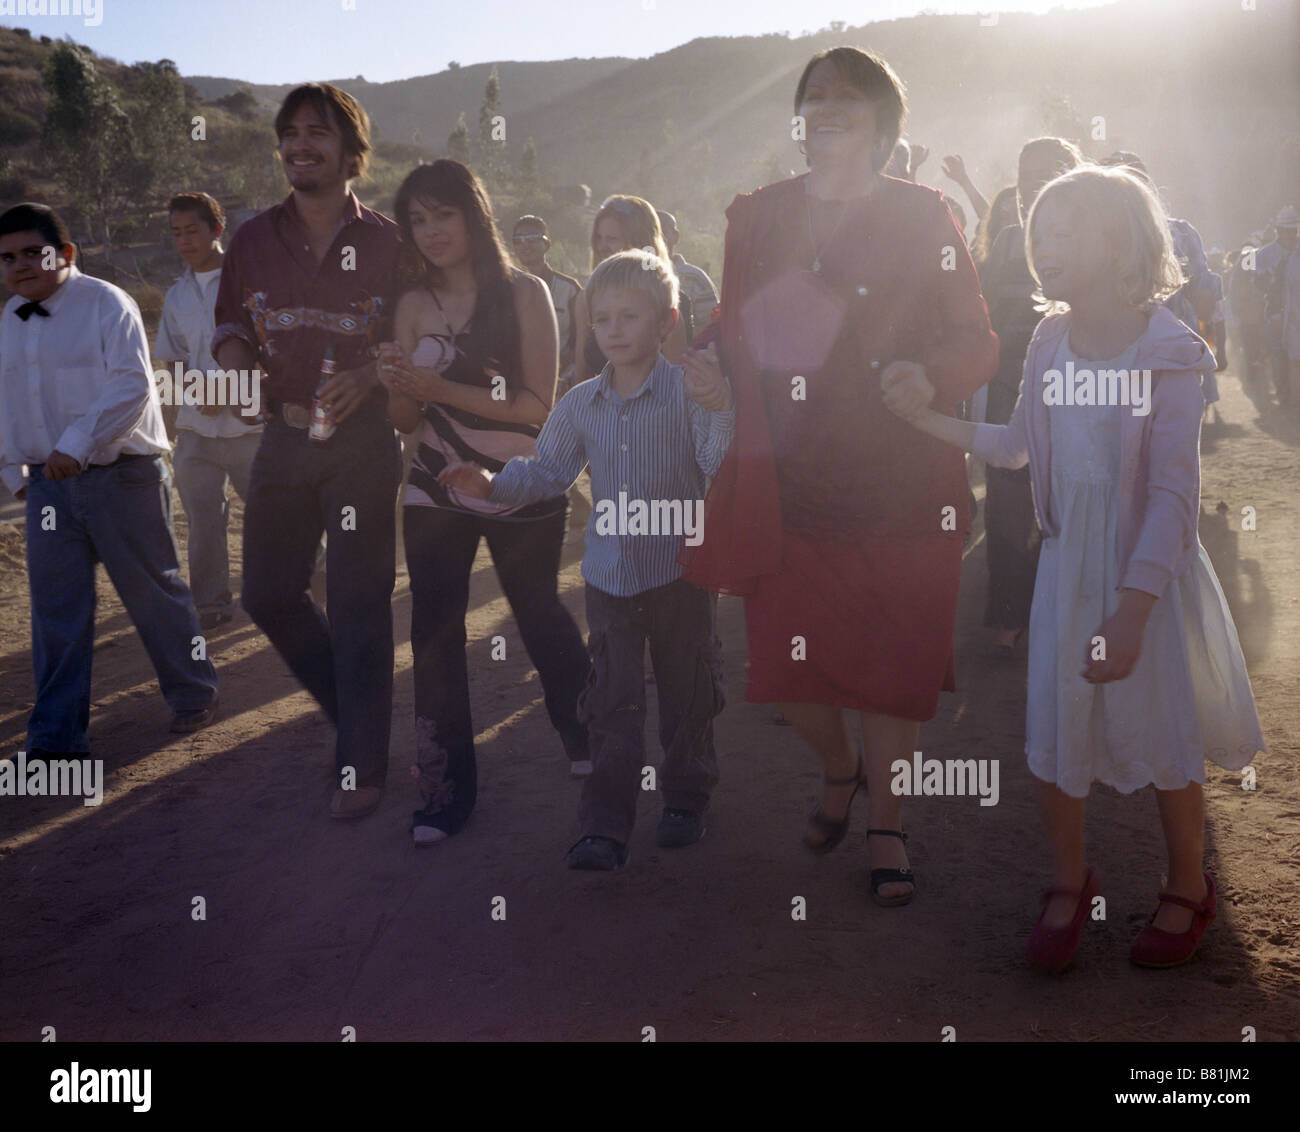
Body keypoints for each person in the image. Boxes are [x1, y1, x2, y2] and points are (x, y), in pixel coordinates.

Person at [882, 165, 1264, 969]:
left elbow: (1173, 496)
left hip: (1144, 578)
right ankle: (1067, 881)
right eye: (1038, 231)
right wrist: (926, 421)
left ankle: (1188, 884)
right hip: (1065, 573)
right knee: (1059, 728)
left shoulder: (1170, 351)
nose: (1044, 245)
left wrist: (1132, 609)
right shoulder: (1050, 339)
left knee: (1165, 729)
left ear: (1124, 240)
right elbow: (1017, 444)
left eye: (1067, 230)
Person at [679, 47, 998, 906]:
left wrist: (930, 375)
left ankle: (886, 824)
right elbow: (732, 319)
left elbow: (976, 336)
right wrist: (708, 362)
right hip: (788, 487)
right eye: (813, 96)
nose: (825, 108)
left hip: (901, 485)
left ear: (883, 123)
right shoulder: (758, 215)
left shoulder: (925, 215)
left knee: (893, 668)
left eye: (846, 99)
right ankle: (839, 764)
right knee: (793, 674)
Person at [440, 249, 734, 870]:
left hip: (682, 572)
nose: (615, 331)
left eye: (631, 317)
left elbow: (716, 466)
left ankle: (685, 798)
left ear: (666, 321)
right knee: (610, 701)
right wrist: (492, 483)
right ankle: (604, 824)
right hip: (610, 577)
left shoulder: (688, 391)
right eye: (602, 320)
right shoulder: (579, 404)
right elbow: (549, 470)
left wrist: (720, 406)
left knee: (688, 692)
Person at [382, 160, 592, 846]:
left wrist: (438, 388)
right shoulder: (411, 303)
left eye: (443, 215)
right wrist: (401, 385)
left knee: (538, 611)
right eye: (417, 219)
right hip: (435, 483)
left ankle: (585, 728)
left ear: (473, 215)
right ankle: (445, 791)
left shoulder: (526, 293)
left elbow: (536, 408)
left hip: (520, 477)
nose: (431, 231)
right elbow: (404, 421)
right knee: (435, 633)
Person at [212, 83, 403, 820]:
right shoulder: (255, 240)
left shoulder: (390, 243)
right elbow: (231, 325)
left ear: (352, 151)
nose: (299, 145)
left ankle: (360, 763)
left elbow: (419, 337)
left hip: (360, 444)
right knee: (266, 592)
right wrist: (233, 365)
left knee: (358, 605)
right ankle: (357, 714)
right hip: (284, 439)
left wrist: (373, 372)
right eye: (289, 133)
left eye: (317, 132)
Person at [0, 202, 220, 758]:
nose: (19, 266)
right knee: (56, 612)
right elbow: (7, 400)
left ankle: (194, 692)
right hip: (48, 487)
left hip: (123, 476)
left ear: (65, 254)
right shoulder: (10, 318)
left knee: (154, 593)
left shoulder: (106, 303)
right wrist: (14, 471)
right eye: (7, 258)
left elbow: (133, 384)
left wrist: (75, 446)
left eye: (32, 252)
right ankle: (55, 739)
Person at [978, 138, 1084, 655]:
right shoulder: (1005, 243)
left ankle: (1066, 615)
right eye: (1025, 179)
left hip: (1076, 387)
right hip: (1009, 388)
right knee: (1006, 506)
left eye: (1048, 176)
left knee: (1070, 502)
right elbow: (983, 313)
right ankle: (1009, 618)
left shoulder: (1095, 241)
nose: (1031, 189)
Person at [153, 191, 264, 631]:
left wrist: (235, 389)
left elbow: (272, 346)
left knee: (273, 512)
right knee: (202, 519)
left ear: (217, 229)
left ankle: (309, 580)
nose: (184, 240)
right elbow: (172, 357)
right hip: (198, 428)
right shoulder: (177, 295)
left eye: (192, 230)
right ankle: (212, 604)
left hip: (251, 424)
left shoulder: (249, 282)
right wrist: (186, 399)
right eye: (176, 233)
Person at [571, 195, 690, 382]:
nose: (602, 246)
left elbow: (679, 383)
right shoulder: (585, 299)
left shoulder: (665, 303)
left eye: (611, 239)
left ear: (639, 243)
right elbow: (581, 374)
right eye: (599, 238)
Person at [511, 214, 582, 393]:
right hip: (517, 385)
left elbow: (581, 342)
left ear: (547, 244)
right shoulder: (505, 288)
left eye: (533, 238)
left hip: (562, 385)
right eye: (518, 240)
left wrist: (563, 376)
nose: (525, 245)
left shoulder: (570, 289)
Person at [656, 209, 719, 331]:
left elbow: (711, 328)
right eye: (651, 232)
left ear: (676, 236)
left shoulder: (695, 278)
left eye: (662, 231)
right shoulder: (633, 276)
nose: (656, 238)